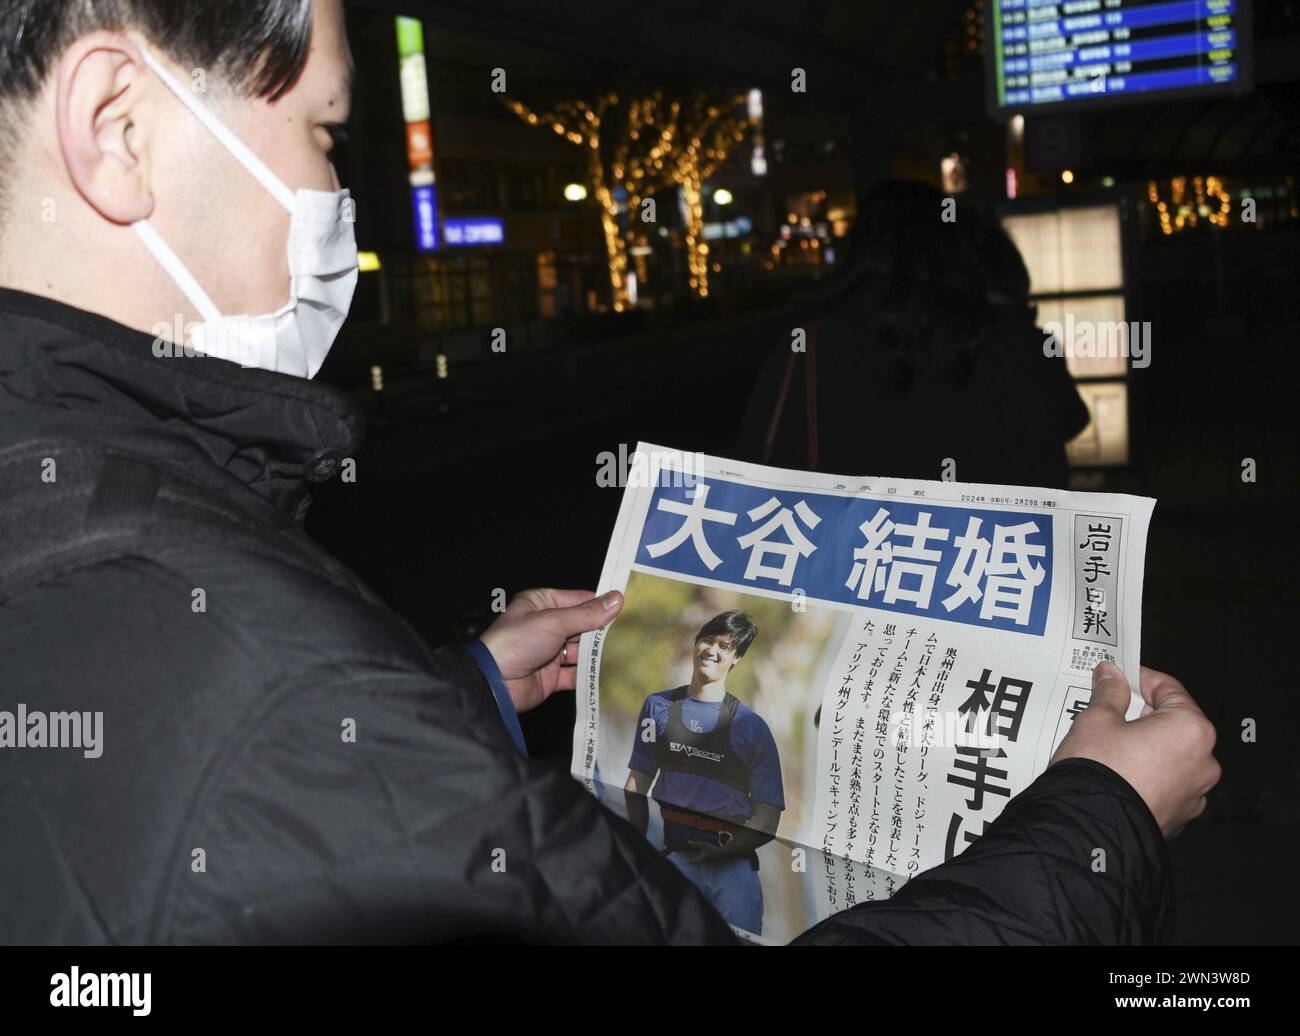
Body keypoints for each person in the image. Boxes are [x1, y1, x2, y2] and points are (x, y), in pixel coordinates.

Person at [0, 0, 1217, 945]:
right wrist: (1097, 826)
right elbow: (277, 761)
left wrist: (456, 690)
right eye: (325, 131)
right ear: (117, 126)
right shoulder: (273, 691)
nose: (337, 203)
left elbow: (217, 789)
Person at [739, 179, 1090, 490]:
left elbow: (758, 466)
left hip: (863, 557)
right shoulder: (1013, 340)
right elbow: (1063, 433)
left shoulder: (808, 352)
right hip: (992, 554)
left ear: (859, 250)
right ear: (955, 247)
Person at [624, 612, 783, 934]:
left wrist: (725, 851)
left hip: (732, 871)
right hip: (674, 861)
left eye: (725, 646)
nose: (712, 650)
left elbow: (768, 819)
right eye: (707, 640)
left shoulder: (752, 727)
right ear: (696, 643)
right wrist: (635, 851)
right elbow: (636, 784)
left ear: (736, 658)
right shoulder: (657, 707)